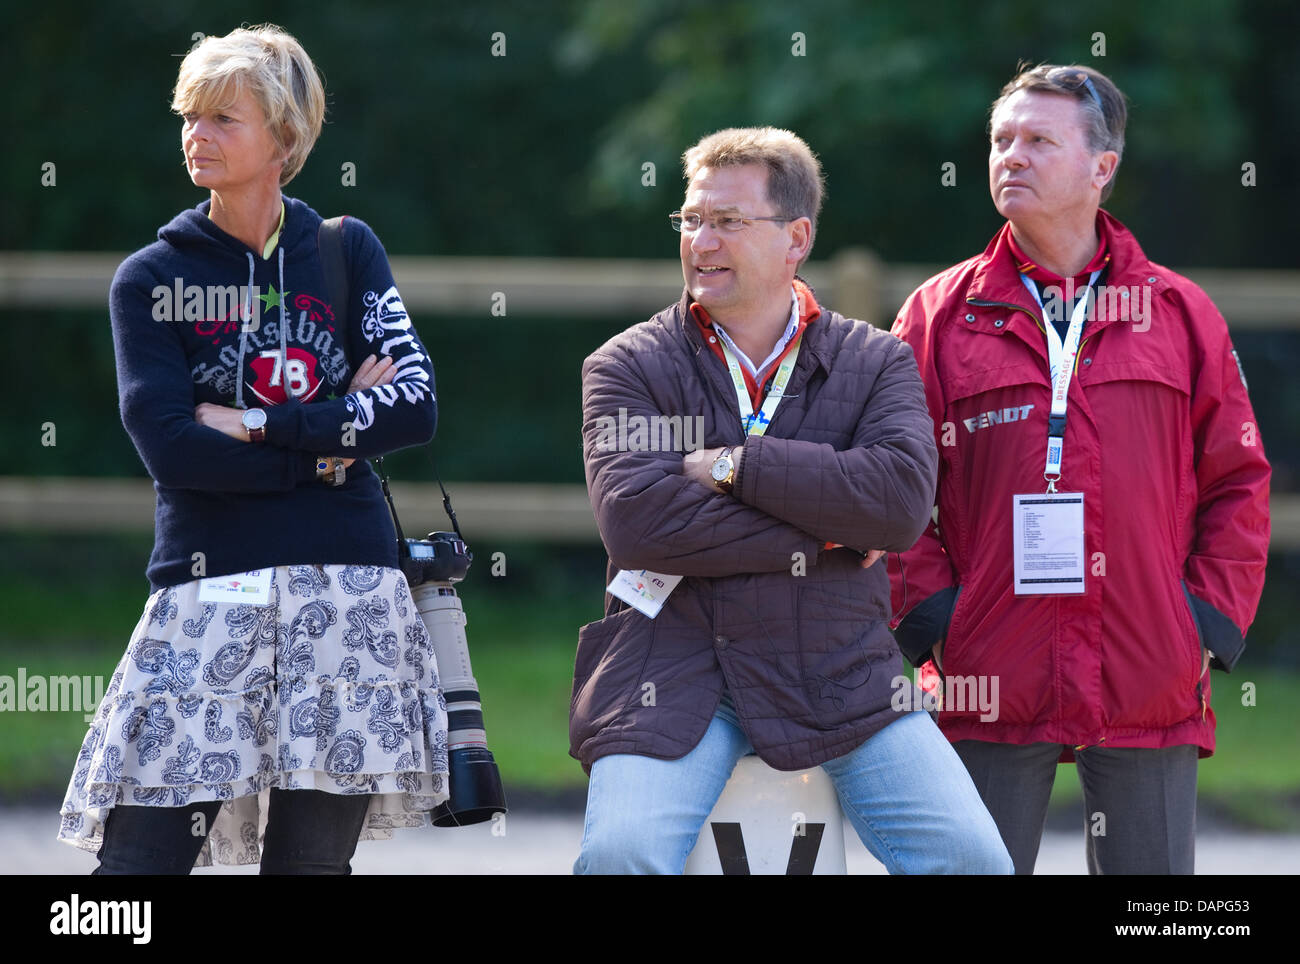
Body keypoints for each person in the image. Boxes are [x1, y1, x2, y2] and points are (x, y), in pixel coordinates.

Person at [57, 24, 447, 874]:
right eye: (190, 116)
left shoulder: (346, 250)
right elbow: (175, 452)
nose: (197, 134)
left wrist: (263, 424)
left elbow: (413, 409)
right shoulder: (152, 276)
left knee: (309, 869)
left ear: (286, 137)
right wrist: (335, 435)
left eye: (223, 118)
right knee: (136, 867)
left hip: (350, 600)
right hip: (210, 588)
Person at [572, 126, 1013, 875]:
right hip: (672, 672)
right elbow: (639, 523)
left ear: (796, 237)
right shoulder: (627, 365)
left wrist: (735, 468)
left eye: (729, 221)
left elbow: (900, 508)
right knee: (619, 856)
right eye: (691, 219)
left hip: (843, 674)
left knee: (975, 860)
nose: (702, 240)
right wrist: (828, 536)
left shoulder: (876, 361)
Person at [888, 64, 1271, 874]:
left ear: (1103, 167)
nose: (1010, 157)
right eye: (1000, 141)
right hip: (984, 666)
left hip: (1148, 660)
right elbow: (890, 483)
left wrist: (1202, 621)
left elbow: (1238, 479)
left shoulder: (1178, 313)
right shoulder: (938, 314)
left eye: (1037, 141)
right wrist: (935, 616)